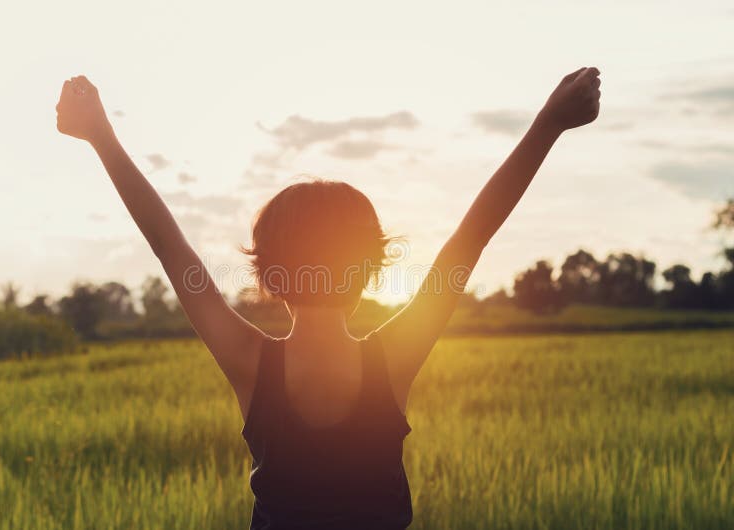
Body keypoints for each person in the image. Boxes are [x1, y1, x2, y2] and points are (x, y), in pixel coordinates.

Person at [55, 66, 601, 529]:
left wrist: (101, 135)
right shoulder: (394, 356)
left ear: (268, 275)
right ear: (371, 271)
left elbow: (168, 247)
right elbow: (470, 239)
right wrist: (548, 125)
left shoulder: (249, 361)